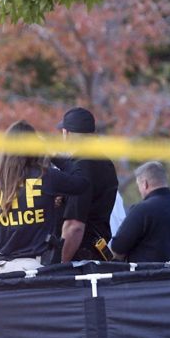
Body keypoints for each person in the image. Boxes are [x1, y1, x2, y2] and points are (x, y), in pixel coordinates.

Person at [0, 120, 89, 273]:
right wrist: (54, 155)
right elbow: (82, 182)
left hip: (4, 269)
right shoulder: (46, 176)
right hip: (36, 268)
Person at [56, 107, 119, 263]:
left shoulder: (81, 166)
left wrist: (59, 265)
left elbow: (74, 226)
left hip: (79, 260)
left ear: (66, 134)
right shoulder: (105, 162)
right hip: (98, 254)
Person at [109, 161, 170, 263]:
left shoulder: (141, 211)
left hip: (150, 276)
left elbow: (117, 247)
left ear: (145, 184)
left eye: (139, 186)